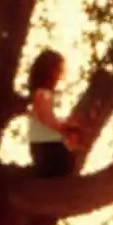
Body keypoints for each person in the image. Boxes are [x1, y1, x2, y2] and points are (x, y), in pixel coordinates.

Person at [27, 49, 83, 178]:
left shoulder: (43, 94)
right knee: (68, 162)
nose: (60, 75)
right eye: (58, 70)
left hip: (42, 145)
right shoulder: (43, 94)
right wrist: (64, 127)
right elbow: (46, 118)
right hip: (44, 146)